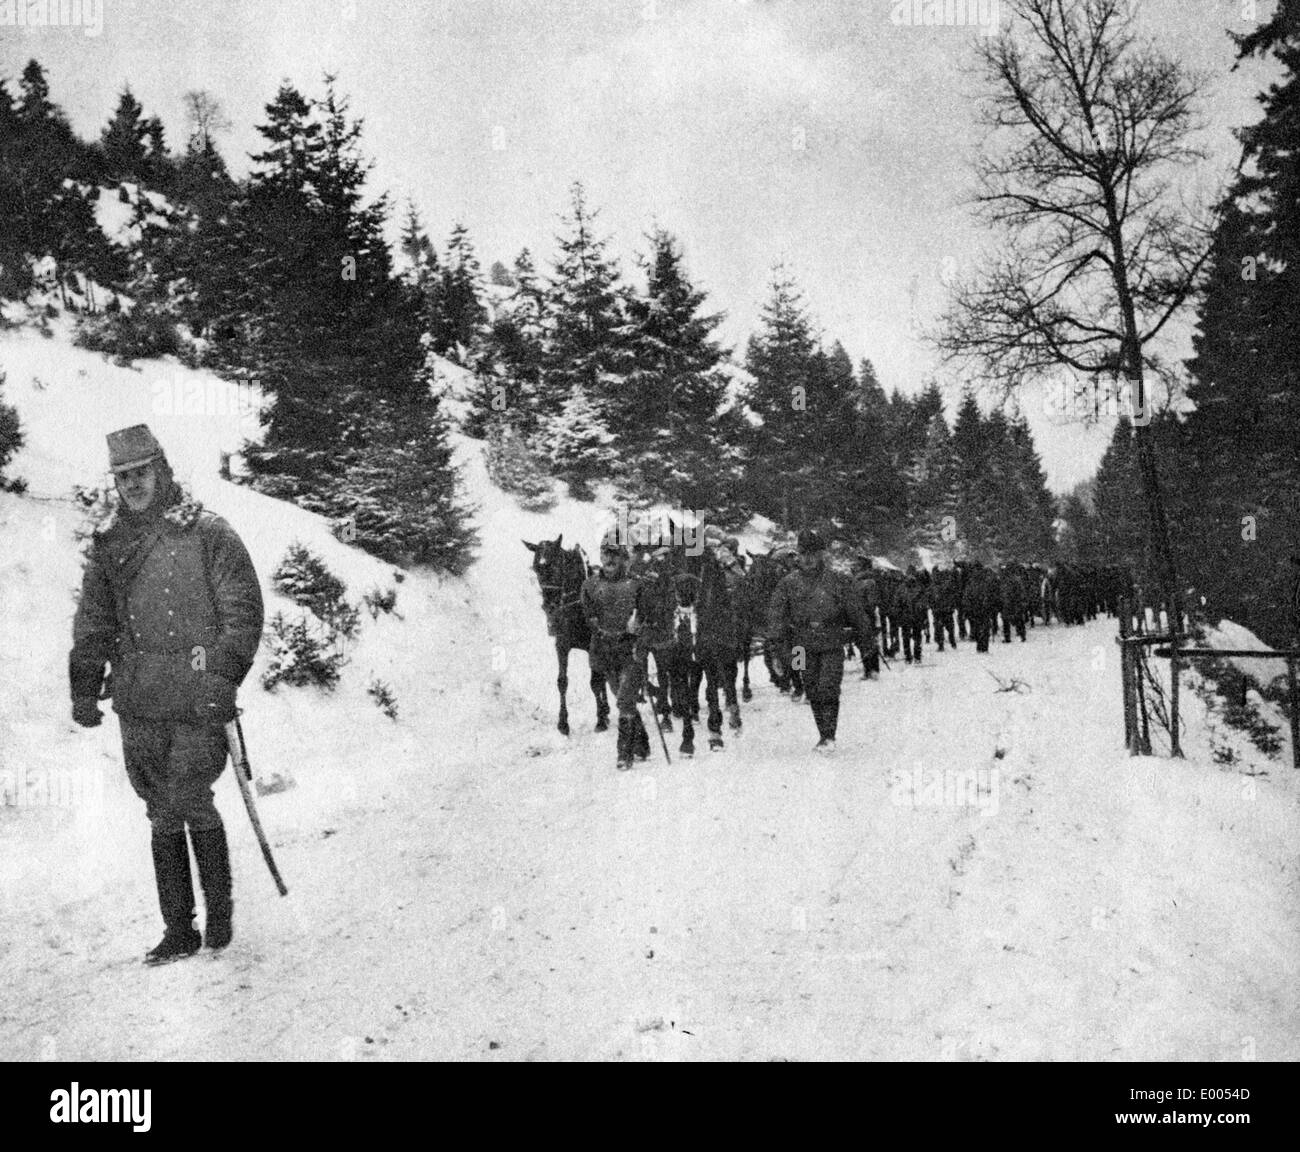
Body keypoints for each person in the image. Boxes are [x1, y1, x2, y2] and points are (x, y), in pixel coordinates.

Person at [69, 425, 264, 964]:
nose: (133, 485)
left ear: (162, 470)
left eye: (141, 474)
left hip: (199, 696)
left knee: (189, 796)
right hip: (138, 698)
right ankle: (178, 928)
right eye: (123, 477)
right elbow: (93, 622)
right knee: (159, 807)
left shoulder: (207, 533)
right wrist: (85, 686)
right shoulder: (112, 547)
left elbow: (242, 613)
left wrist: (222, 678)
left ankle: (218, 911)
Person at [767, 529, 871, 753]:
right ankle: (823, 734)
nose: (808, 558)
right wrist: (777, 645)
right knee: (811, 688)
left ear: (821, 554)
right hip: (799, 645)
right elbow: (776, 615)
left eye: (813, 553)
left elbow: (856, 613)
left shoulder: (838, 580)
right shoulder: (787, 583)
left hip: (831, 641)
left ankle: (829, 736)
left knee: (829, 687)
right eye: (803, 554)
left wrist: (867, 641)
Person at [581, 537, 650, 770]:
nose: (609, 559)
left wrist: (638, 624)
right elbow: (588, 617)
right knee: (622, 699)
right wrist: (595, 626)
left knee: (624, 699)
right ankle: (642, 743)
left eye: (614, 554)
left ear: (623, 559)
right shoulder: (589, 585)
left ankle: (624, 753)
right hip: (605, 651)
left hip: (630, 649)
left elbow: (648, 615)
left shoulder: (637, 584)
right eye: (605, 554)